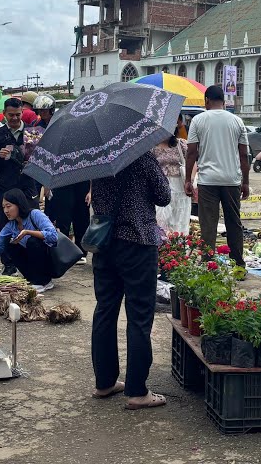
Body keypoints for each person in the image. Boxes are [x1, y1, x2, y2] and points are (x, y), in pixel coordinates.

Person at [88, 150, 170, 410]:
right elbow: (164, 197)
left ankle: (104, 382)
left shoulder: (97, 159)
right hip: (137, 242)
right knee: (139, 315)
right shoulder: (142, 157)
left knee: (105, 310)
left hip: (104, 243)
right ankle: (137, 391)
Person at [184, 85, 250, 267]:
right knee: (234, 223)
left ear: (207, 101)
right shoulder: (237, 121)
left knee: (208, 225)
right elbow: (244, 155)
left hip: (208, 181)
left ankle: (208, 264)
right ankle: (238, 263)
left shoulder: (198, 120)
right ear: (224, 101)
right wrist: (245, 182)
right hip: (231, 180)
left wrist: (188, 180)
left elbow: (191, 153)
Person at [0, 190, 61, 292]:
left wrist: (28, 232)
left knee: (33, 241)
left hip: (50, 260)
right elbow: (0, 243)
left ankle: (44, 281)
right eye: (3, 207)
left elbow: (53, 236)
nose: (6, 211)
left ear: (19, 205)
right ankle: (31, 278)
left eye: (8, 206)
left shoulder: (35, 214)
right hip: (31, 262)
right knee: (10, 244)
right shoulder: (11, 225)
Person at [0, 98, 38, 236]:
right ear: (4, 113)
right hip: (4, 186)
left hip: (27, 185)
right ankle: (6, 256)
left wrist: (32, 162)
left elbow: (41, 158)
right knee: (4, 225)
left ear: (22, 112)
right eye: (11, 115)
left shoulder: (31, 132)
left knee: (31, 222)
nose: (15, 118)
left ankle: (30, 255)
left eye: (18, 114)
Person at [151, 129, 190, 236]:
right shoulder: (152, 146)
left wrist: (190, 181)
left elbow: (191, 162)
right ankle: (163, 247)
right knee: (160, 217)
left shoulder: (181, 144)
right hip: (160, 186)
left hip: (179, 186)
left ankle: (178, 248)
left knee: (179, 218)